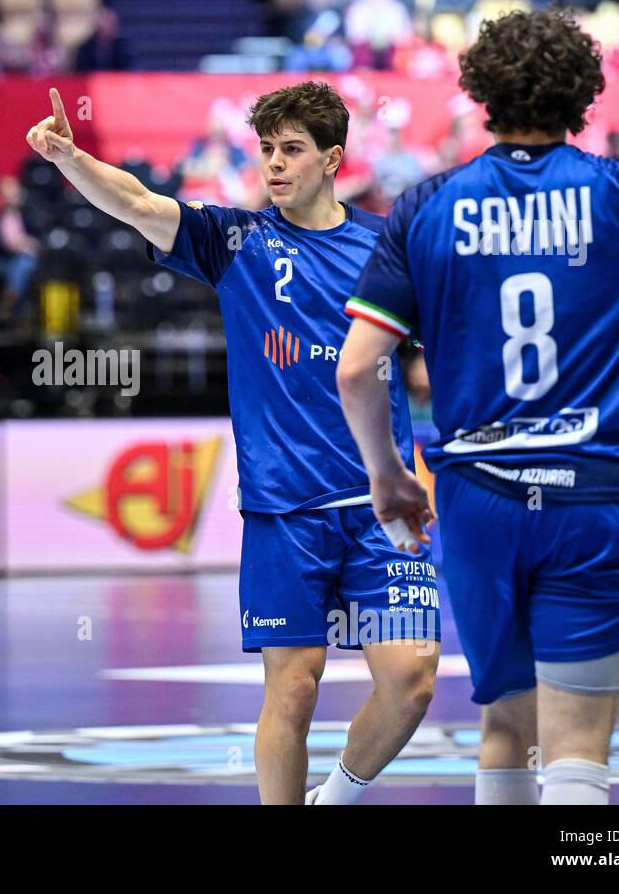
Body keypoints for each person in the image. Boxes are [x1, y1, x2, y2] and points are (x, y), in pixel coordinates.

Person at [336, 9, 619, 805]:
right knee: (578, 751)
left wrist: (389, 479)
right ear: (585, 96)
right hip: (595, 499)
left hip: (480, 502)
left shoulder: (422, 209)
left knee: (509, 728)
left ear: (480, 93)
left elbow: (356, 371)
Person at [26, 83, 440, 805]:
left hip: (381, 509)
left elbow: (437, 351)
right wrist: (73, 160)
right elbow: (140, 204)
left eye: (292, 151)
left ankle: (334, 797)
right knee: (294, 686)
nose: (275, 165)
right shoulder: (237, 241)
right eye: (268, 150)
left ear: (333, 158)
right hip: (285, 512)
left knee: (412, 681)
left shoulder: (386, 245)